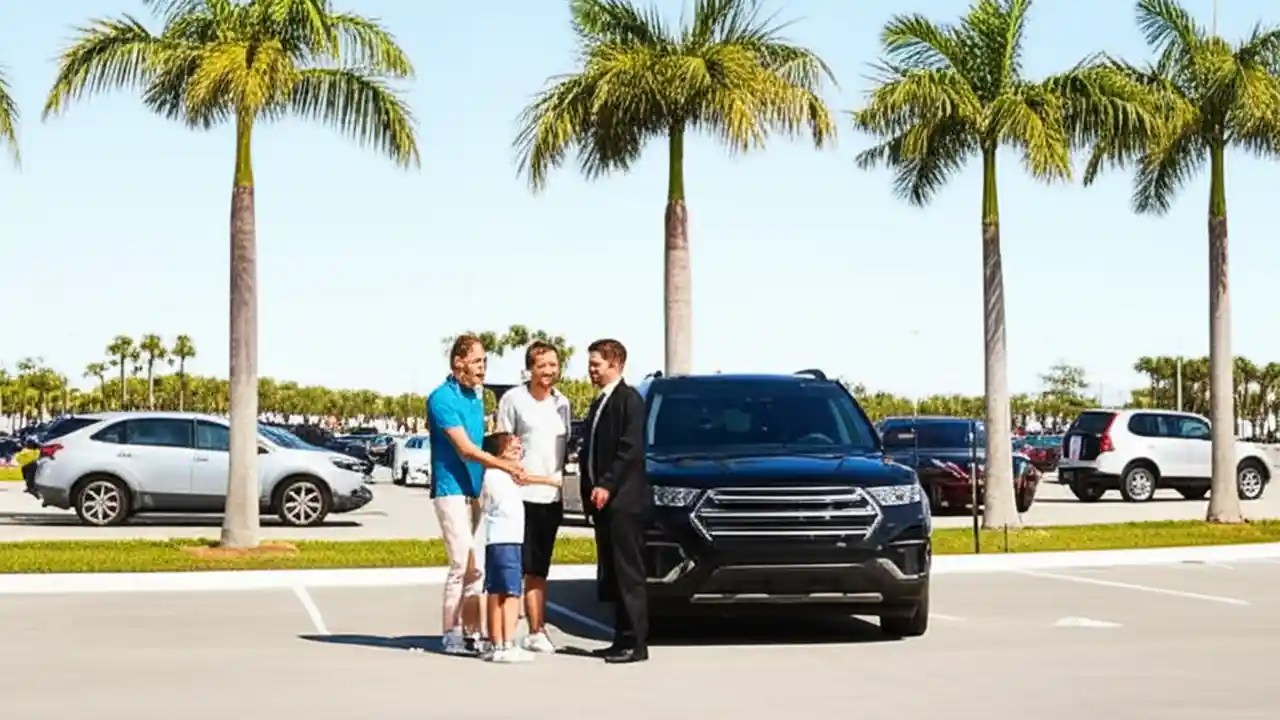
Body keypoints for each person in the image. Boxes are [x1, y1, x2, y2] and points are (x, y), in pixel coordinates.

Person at [427, 335, 527, 655]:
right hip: (450, 489)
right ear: (458, 362)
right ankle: (451, 632)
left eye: (484, 362)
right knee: (461, 562)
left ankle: (472, 633)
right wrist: (504, 464)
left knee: (477, 567)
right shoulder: (441, 398)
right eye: (477, 362)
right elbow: (466, 449)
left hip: (474, 490)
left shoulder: (476, 397)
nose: (482, 369)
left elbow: (480, 441)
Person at [495, 340, 573, 654]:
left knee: (539, 567)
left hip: (550, 497)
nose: (549, 372)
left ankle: (537, 630)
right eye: (542, 366)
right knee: (514, 566)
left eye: (553, 366)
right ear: (530, 368)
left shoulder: (562, 403)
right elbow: (503, 447)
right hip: (519, 495)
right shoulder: (513, 399)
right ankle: (503, 632)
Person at [580, 338, 651, 664]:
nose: (591, 370)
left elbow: (629, 451)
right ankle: (619, 638)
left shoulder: (629, 401)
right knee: (612, 576)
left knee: (628, 575)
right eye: (591, 364)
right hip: (604, 506)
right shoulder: (600, 403)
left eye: (597, 364)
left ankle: (636, 643)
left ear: (616, 364)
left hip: (624, 504)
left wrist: (607, 484)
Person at [479, 431, 562, 663]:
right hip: (506, 540)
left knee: (497, 592)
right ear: (498, 453)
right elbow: (523, 477)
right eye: (513, 448)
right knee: (510, 593)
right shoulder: (499, 473)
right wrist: (550, 480)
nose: (519, 452)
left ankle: (498, 643)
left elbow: (526, 478)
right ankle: (506, 643)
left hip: (501, 540)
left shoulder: (498, 474)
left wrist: (550, 481)